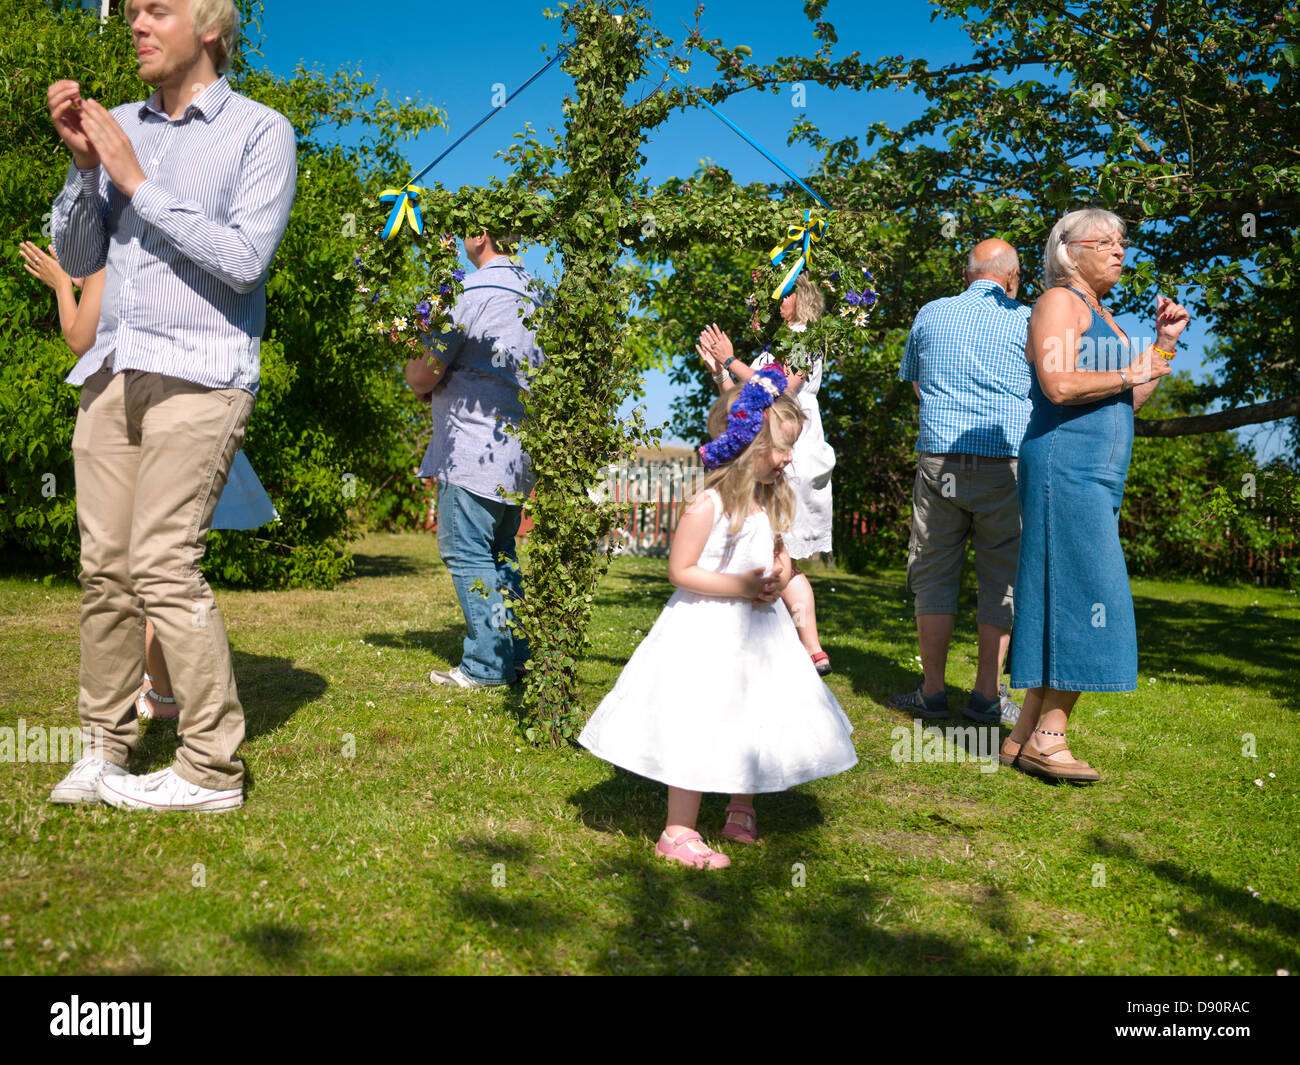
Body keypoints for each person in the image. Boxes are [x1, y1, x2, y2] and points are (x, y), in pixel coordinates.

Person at [45, 0, 297, 811]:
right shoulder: (116, 126)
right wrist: (86, 170)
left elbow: (243, 260)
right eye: (134, 13)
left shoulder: (261, 132)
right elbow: (80, 259)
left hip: (201, 371)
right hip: (114, 370)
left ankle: (211, 768)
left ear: (210, 27)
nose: (137, 24)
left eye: (158, 9)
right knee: (104, 572)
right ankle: (103, 749)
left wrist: (135, 182)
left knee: (160, 562)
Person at [579, 370, 857, 869]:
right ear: (748, 445)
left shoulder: (768, 502)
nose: (789, 458)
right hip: (706, 630)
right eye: (782, 448)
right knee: (699, 717)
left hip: (758, 632)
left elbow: (776, 557)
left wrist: (776, 574)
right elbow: (680, 570)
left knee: (753, 712)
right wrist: (742, 587)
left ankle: (740, 801)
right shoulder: (707, 504)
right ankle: (678, 830)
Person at [18, 240, 277, 724]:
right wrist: (84, 279)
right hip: (192, 396)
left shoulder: (112, 235)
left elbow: (79, 337)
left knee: (146, 567)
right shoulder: (161, 246)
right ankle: (160, 692)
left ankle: (159, 697)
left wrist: (61, 284)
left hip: (140, 413)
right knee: (165, 564)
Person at [1003, 209, 1186, 782]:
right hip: (1066, 466)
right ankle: (1050, 739)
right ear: (1067, 250)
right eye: (1103, 241)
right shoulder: (1061, 302)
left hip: (1093, 474)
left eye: (1121, 241)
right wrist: (1131, 371)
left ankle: (1018, 738)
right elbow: (1058, 384)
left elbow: (1128, 401)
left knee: (1067, 592)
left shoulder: (1101, 313)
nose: (1118, 250)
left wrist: (1163, 346)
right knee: (1091, 595)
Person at [889, 239, 1032, 727]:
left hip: (941, 462)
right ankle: (986, 698)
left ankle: (931, 693)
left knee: (933, 573)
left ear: (967, 274)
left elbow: (917, 381)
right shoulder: (1029, 320)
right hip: (1006, 466)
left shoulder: (930, 313)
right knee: (1002, 580)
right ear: (1012, 278)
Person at [405, 233, 543, 688]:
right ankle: (514, 654)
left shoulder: (471, 292)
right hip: (516, 452)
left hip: (472, 447)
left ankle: (485, 665)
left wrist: (416, 368)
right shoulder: (537, 292)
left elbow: (427, 370)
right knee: (501, 552)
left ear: (481, 236)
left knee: (466, 551)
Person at [696, 273, 837, 675]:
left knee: (781, 552)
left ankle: (809, 647)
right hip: (765, 446)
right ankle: (789, 647)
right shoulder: (775, 345)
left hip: (792, 448)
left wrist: (729, 358)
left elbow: (779, 389)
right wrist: (718, 371)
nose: (776, 300)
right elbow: (744, 397)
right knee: (769, 547)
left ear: (802, 296)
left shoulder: (806, 336)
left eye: (784, 292)